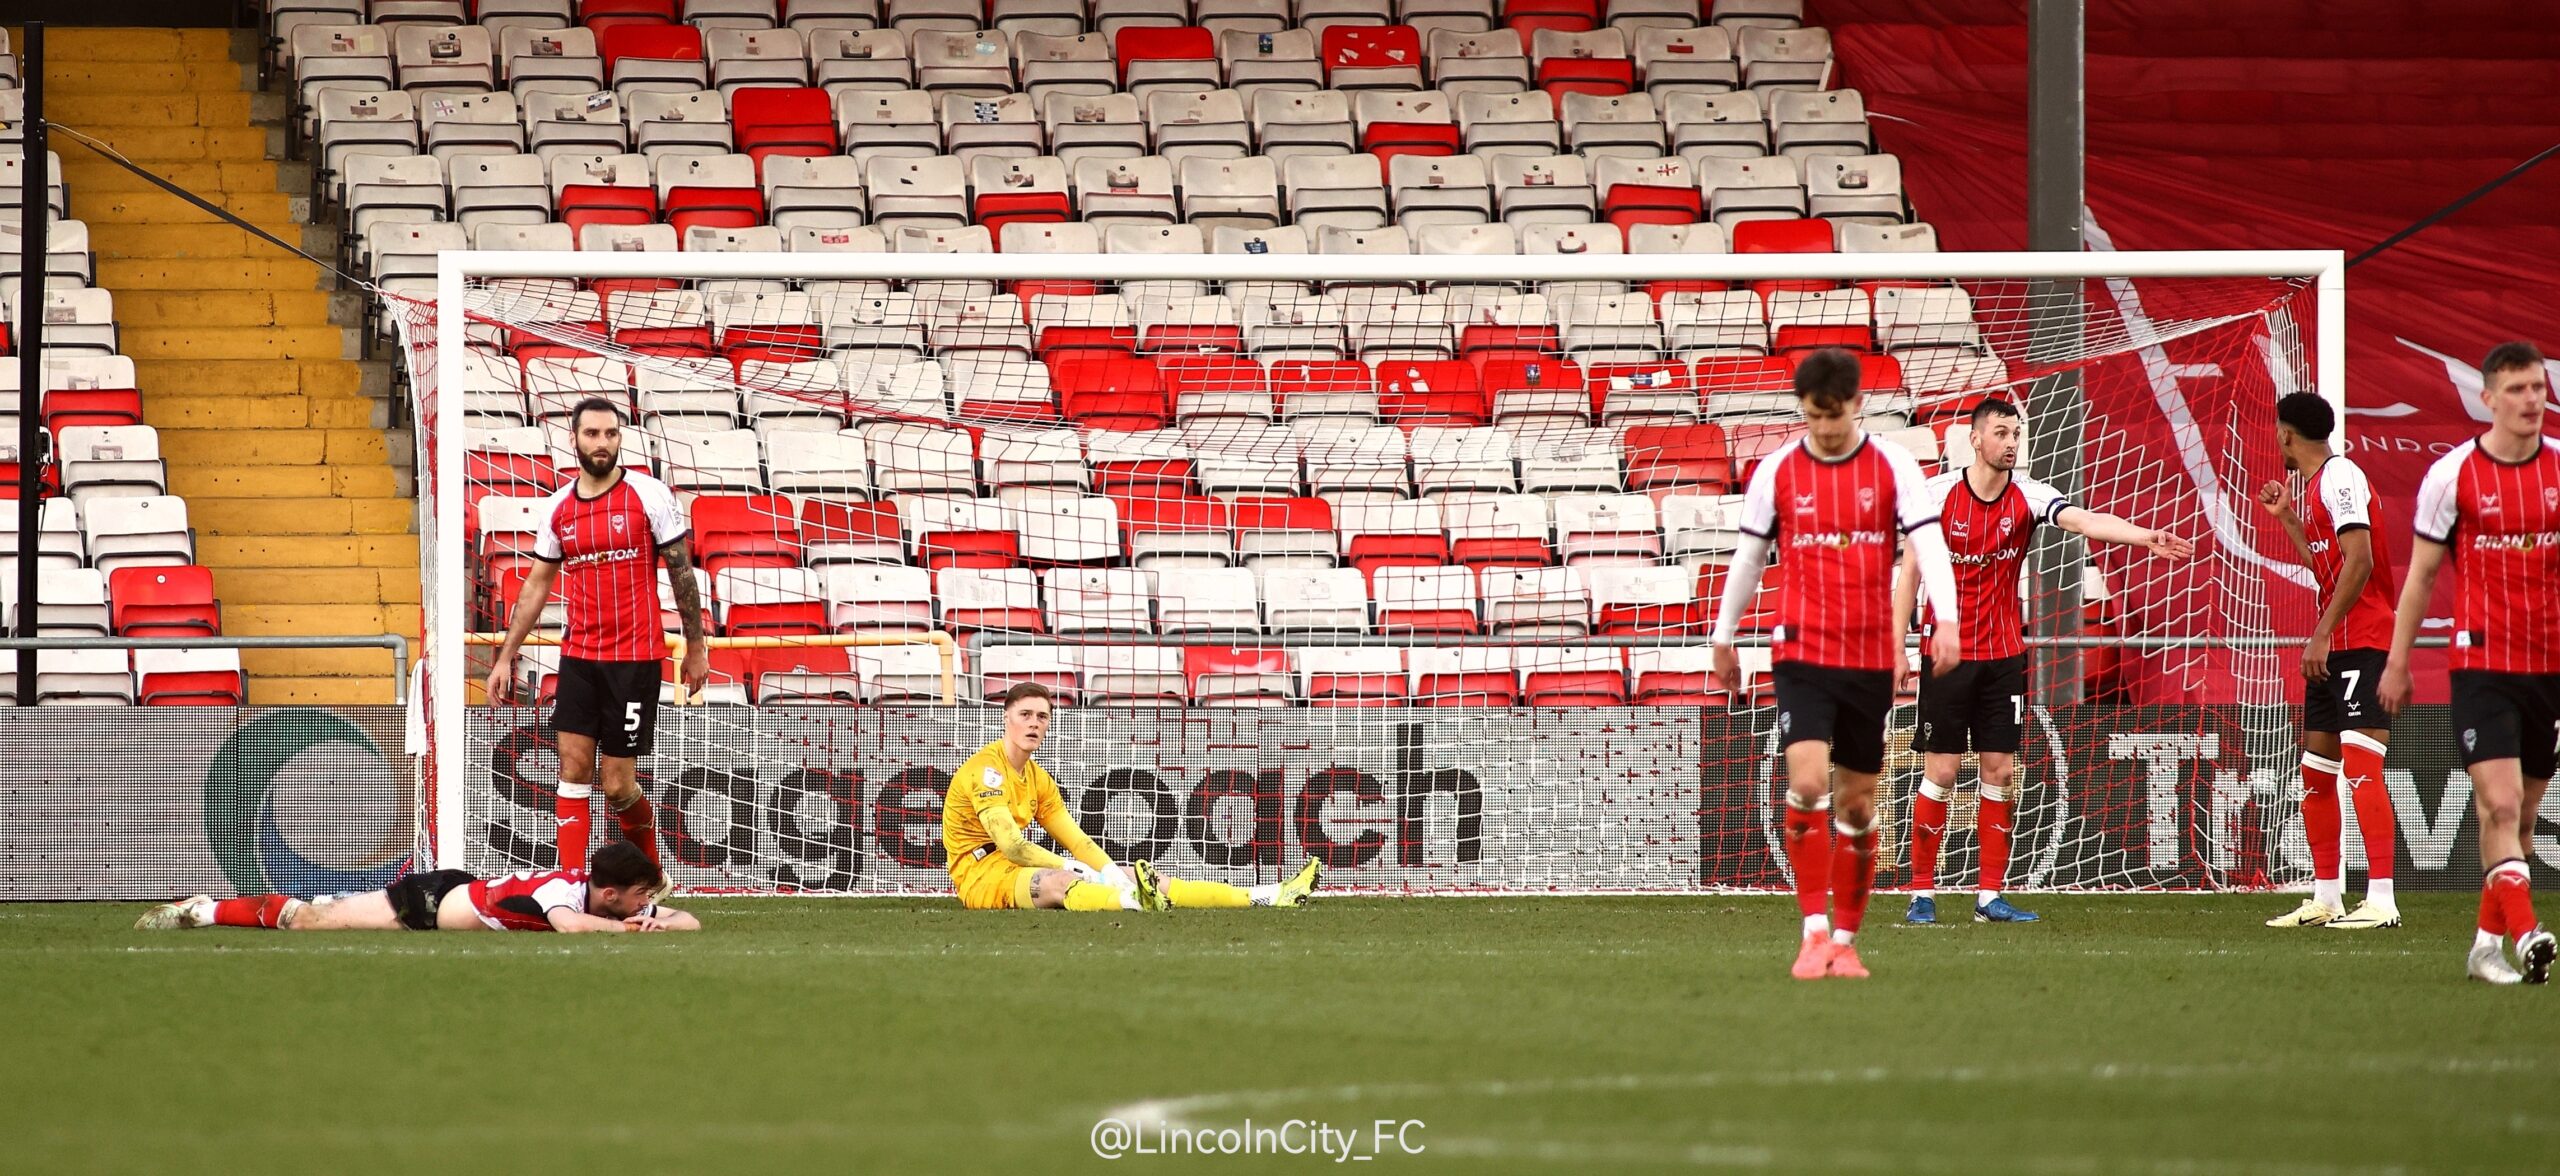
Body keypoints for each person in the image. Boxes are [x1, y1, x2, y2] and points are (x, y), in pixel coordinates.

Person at [1894, 398, 2196, 926]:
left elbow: (2084, 521)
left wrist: (2145, 537)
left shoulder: (2031, 496)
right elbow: (1911, 574)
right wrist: (1897, 647)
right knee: (1940, 771)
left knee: (2001, 770)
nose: (2011, 442)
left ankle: (1990, 896)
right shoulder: (1936, 494)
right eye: (2001, 433)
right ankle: (1922, 893)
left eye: (2017, 433)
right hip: (1946, 656)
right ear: (1975, 439)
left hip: (2006, 656)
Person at [1710, 348, 1961, 980]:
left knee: (1855, 804)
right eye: (1814, 416)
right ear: (1804, 409)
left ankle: (1846, 942)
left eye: (1835, 415)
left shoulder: (1893, 466)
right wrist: (1723, 635)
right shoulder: (1775, 472)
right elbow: (1748, 560)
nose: (1824, 428)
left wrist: (1947, 621)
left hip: (1870, 653)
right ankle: (1812, 932)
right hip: (1802, 649)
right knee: (1808, 783)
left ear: (1857, 405)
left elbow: (1929, 546)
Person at [2379, 341, 2560, 985]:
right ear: (2487, 399)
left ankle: (2485, 946)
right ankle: (2530, 932)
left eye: (2538, 387)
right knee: (2503, 806)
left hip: (2550, 669)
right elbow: (2421, 577)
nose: (2531, 400)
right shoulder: (2452, 475)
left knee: (2521, 823)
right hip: (2481, 663)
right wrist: (2398, 663)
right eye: (2516, 390)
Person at [482, 397, 711, 872]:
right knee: (572, 770)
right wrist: (505, 657)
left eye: (610, 434)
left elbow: (681, 573)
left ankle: (649, 874)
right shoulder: (558, 509)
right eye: (592, 434)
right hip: (580, 657)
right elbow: (537, 584)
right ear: (574, 439)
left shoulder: (649, 496)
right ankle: (569, 881)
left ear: (620, 438)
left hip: (635, 659)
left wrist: (696, 646)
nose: (602, 443)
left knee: (617, 784)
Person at [946, 683, 1322, 912]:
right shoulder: (987, 770)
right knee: (1060, 883)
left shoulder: (1038, 779)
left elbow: (1076, 839)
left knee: (1135, 875)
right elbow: (1011, 845)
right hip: (980, 875)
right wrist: (1082, 870)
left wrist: (1108, 872)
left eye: (1042, 717)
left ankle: (1268, 895)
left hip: (1017, 868)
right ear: (1006, 719)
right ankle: (1133, 903)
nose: (1034, 723)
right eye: (1025, 714)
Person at [2257, 392, 2403, 930]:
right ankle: (2326, 897)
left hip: (2360, 640)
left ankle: (2382, 899)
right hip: (2334, 644)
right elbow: (2328, 560)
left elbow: (2360, 560)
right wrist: (2289, 518)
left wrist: (2318, 634)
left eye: (2277, 432)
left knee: (2362, 765)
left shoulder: (2341, 477)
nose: (2277, 440)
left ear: (2287, 435)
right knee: (2316, 771)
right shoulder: (2316, 486)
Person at [135, 842, 697, 934]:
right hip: (427, 902)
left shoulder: (606, 896)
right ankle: (206, 911)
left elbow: (689, 922)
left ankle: (208, 910)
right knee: (310, 920)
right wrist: (633, 930)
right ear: (615, 893)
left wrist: (657, 921)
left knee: (323, 913)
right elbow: (571, 927)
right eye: (644, 896)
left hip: (453, 891)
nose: (651, 903)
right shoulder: (563, 895)